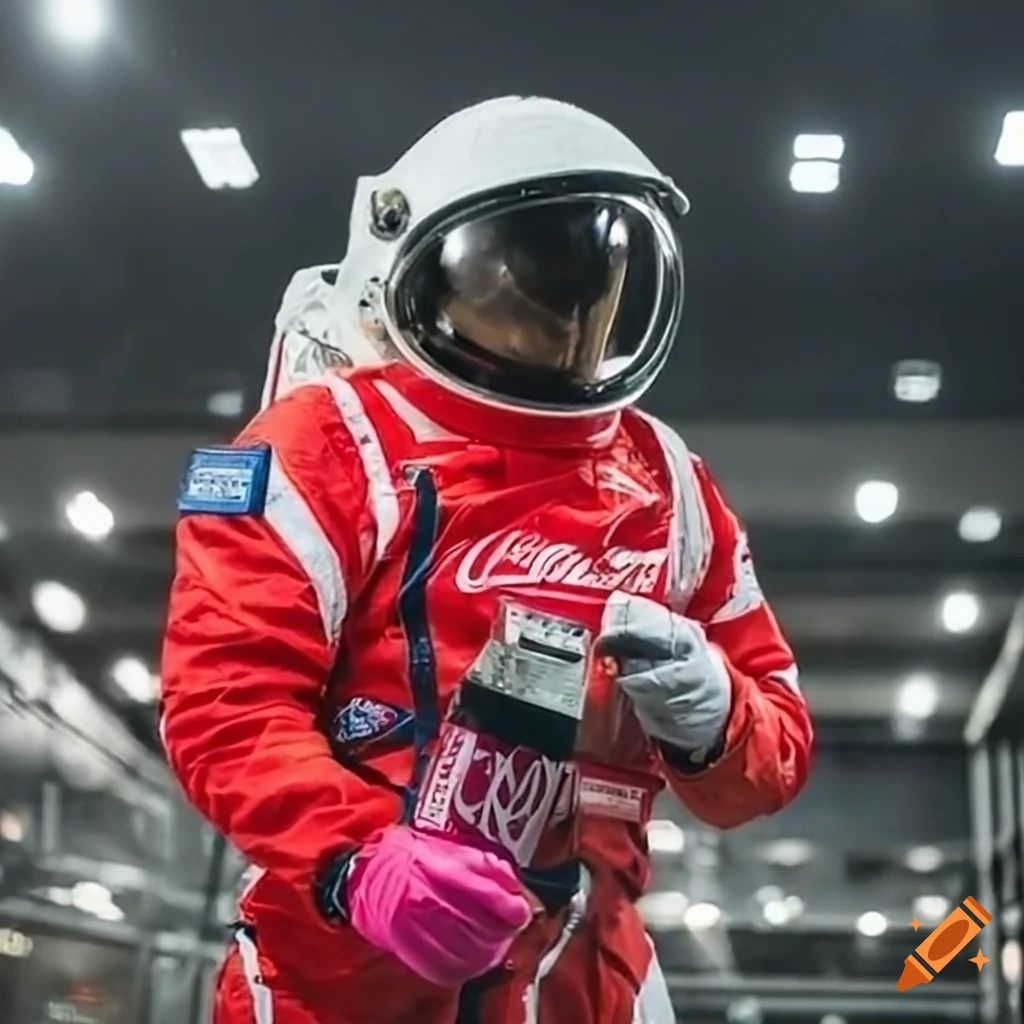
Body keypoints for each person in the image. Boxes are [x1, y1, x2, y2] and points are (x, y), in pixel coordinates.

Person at [160, 95, 813, 1024]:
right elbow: (226, 706)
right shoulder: (326, 446)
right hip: (343, 986)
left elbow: (773, 758)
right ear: (415, 269)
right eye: (526, 280)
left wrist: (714, 716)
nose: (563, 321)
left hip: (594, 984)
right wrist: (364, 860)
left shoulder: (669, 482)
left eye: (596, 286)